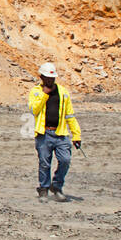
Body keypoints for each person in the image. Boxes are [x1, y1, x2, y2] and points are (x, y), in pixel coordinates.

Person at [28, 62, 82, 201]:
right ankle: (44, 189)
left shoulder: (63, 92)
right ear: (41, 77)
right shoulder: (36, 92)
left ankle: (56, 185)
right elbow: (34, 110)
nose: (50, 80)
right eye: (47, 78)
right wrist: (44, 95)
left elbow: (70, 115)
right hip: (43, 134)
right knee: (45, 163)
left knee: (65, 160)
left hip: (61, 134)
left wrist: (76, 134)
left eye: (52, 78)